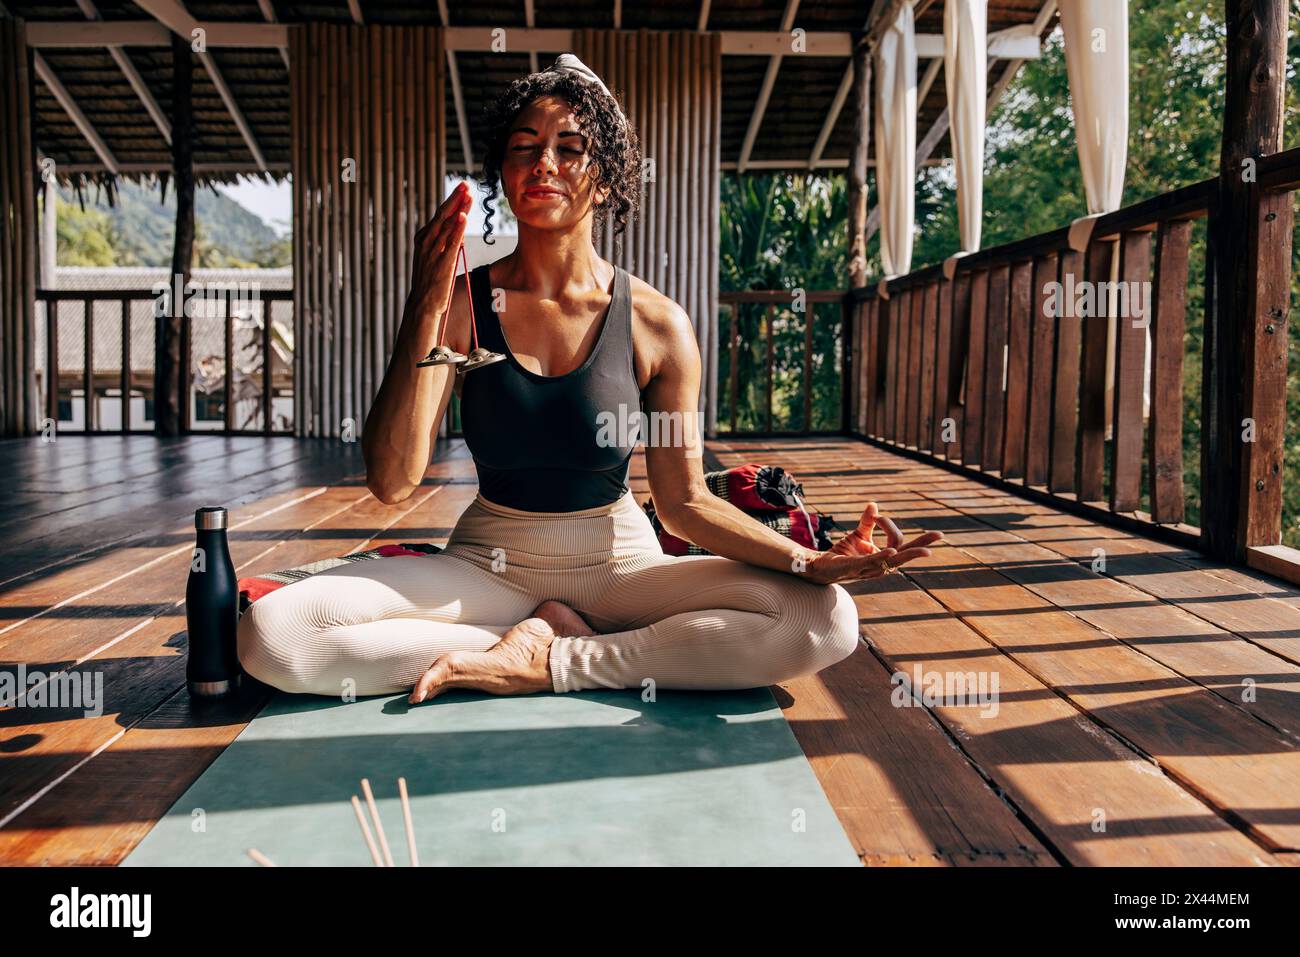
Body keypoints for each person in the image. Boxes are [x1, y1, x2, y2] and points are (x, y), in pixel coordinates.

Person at [236, 54, 942, 704]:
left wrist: (807, 559)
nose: (543, 161)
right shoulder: (458, 310)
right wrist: (424, 302)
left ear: (604, 177)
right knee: (273, 636)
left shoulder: (657, 324)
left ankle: (552, 659)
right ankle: (539, 639)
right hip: (487, 565)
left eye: (569, 148)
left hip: (619, 566)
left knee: (822, 620)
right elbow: (392, 480)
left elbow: (685, 503)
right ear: (501, 173)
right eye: (523, 146)